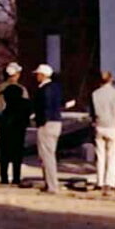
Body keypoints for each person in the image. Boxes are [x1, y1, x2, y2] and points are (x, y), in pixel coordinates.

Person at [0, 62, 31, 185]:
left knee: (4, 152)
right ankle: (16, 178)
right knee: (17, 153)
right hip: (19, 125)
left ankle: (4, 178)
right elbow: (27, 107)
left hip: (4, 125)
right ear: (16, 75)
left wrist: (1, 120)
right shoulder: (22, 89)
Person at [89, 71, 115, 193]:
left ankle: (100, 181)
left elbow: (92, 113)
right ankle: (110, 182)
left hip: (99, 126)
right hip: (113, 126)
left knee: (100, 155)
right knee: (112, 156)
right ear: (111, 79)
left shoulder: (95, 94)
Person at [32, 63, 63, 193]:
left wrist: (40, 120)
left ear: (43, 75)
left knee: (46, 155)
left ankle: (52, 185)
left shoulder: (45, 89)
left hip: (47, 124)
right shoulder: (56, 88)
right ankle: (50, 183)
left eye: (38, 74)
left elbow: (45, 106)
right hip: (56, 122)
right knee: (48, 154)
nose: (36, 77)